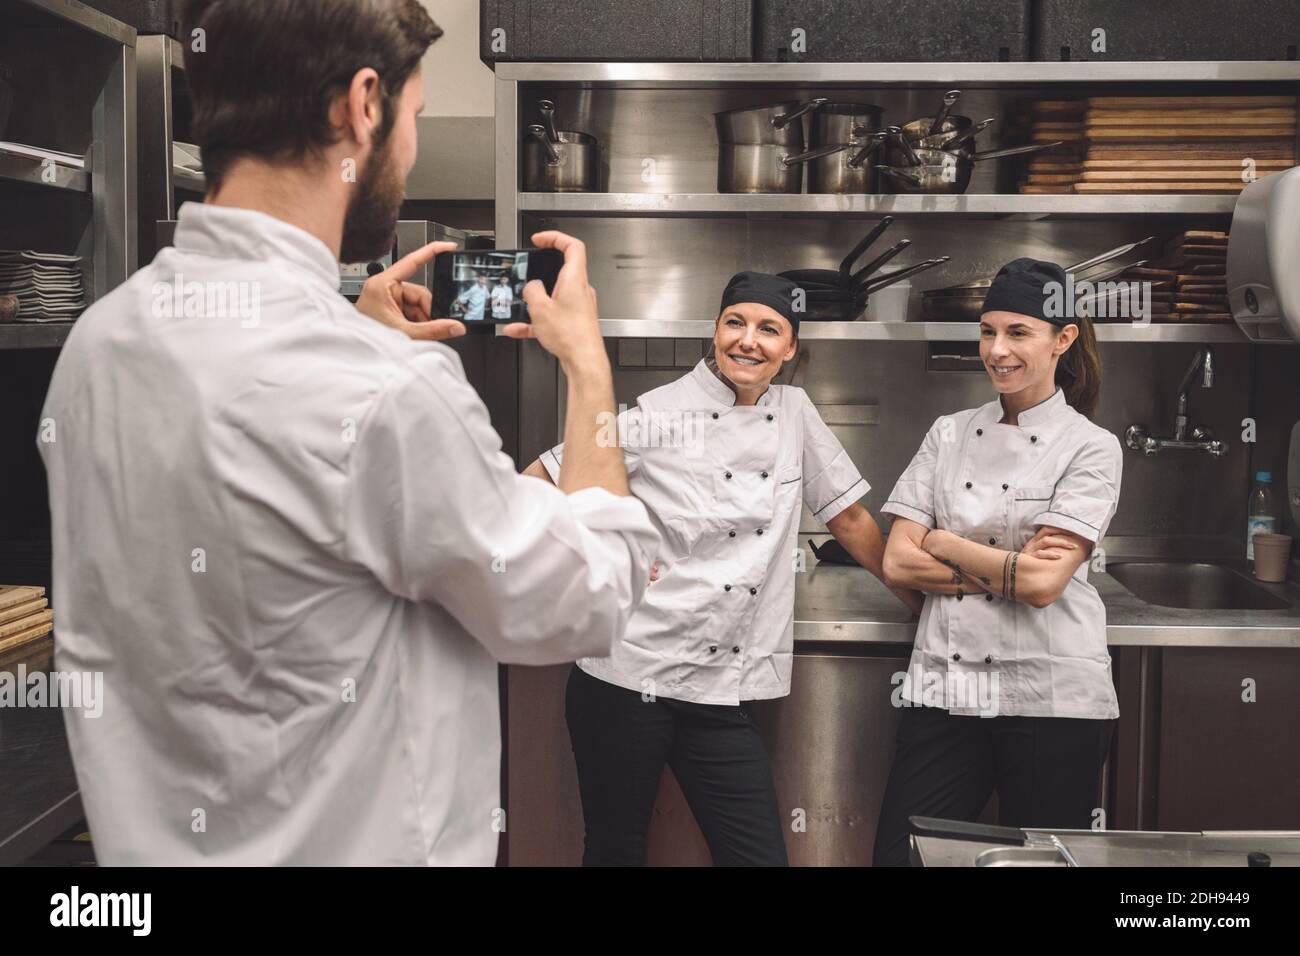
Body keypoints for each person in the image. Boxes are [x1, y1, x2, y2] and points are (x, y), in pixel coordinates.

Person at [36, 0, 658, 866]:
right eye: (415, 119)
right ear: (362, 105)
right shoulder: (387, 390)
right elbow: (590, 597)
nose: (410, 149)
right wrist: (589, 369)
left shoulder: (99, 344)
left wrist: (356, 340)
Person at [523, 272, 923, 866]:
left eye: (769, 330)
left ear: (790, 349)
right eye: (735, 323)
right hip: (629, 675)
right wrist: (597, 561)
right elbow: (541, 481)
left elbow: (849, 518)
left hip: (720, 691)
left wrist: (920, 604)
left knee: (757, 857)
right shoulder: (660, 413)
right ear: (714, 332)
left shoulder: (794, 413)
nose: (748, 341)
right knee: (614, 850)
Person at [872, 258, 1123, 867]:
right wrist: (1008, 563)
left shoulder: (1091, 447)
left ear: (1063, 340)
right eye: (988, 331)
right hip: (943, 687)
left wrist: (944, 542)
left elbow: (1042, 585)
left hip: (1052, 697)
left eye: (1018, 333)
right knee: (901, 858)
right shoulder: (949, 432)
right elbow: (897, 561)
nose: (997, 350)